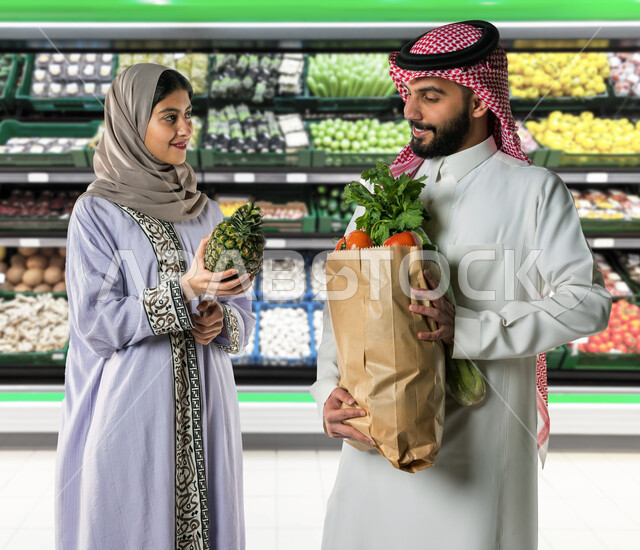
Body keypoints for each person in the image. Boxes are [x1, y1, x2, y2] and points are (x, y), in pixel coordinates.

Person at [311, 20, 611, 550]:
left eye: (430, 96)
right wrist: (326, 393)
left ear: (478, 101)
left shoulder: (534, 191)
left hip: (479, 447)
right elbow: (344, 307)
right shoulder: (383, 193)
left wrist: (469, 329)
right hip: (374, 443)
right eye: (408, 95)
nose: (410, 112)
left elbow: (588, 304)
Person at [55, 64, 255, 550]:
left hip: (208, 402)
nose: (186, 129)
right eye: (169, 117)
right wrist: (181, 292)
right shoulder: (95, 213)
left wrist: (218, 319)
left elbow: (244, 317)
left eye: (189, 115)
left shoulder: (205, 210)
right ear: (130, 122)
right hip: (132, 408)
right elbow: (96, 323)